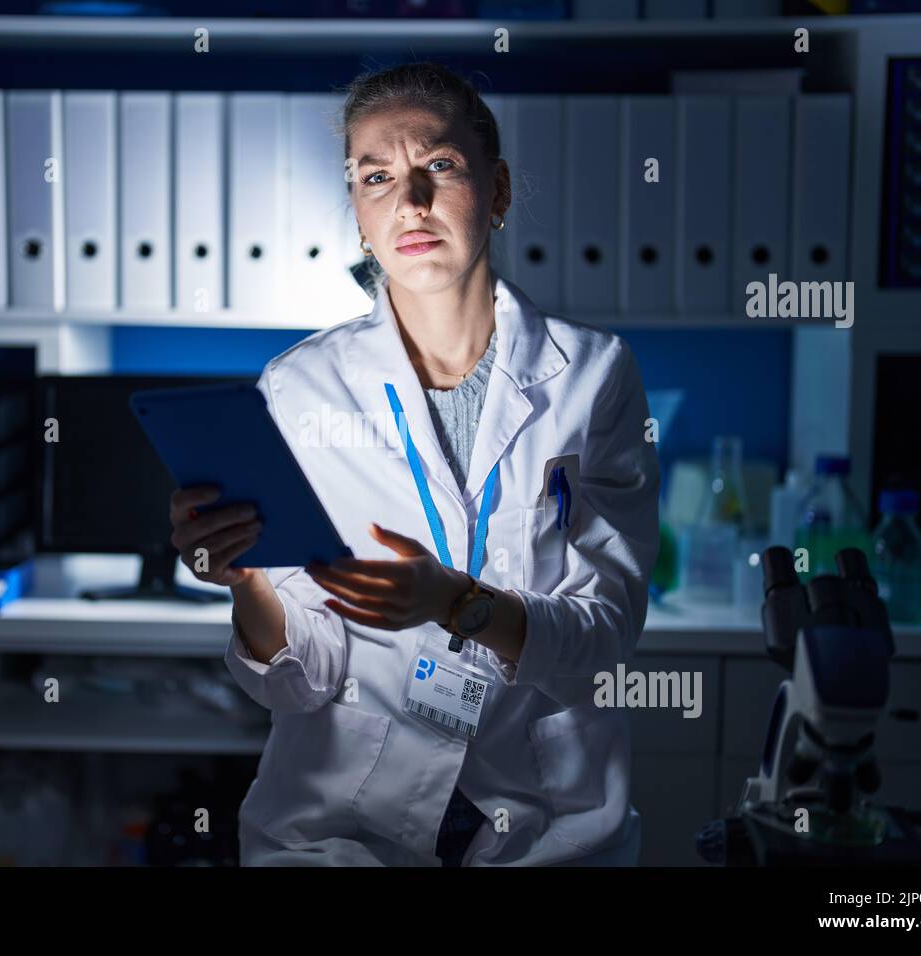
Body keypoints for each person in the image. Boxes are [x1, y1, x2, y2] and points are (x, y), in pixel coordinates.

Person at [168, 62, 660, 866]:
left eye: (440, 166)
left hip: (548, 822)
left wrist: (460, 603)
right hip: (343, 825)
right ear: (360, 216)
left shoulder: (594, 376)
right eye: (376, 177)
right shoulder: (300, 389)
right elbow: (298, 680)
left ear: (496, 192)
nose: (411, 202)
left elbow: (603, 640)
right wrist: (247, 578)